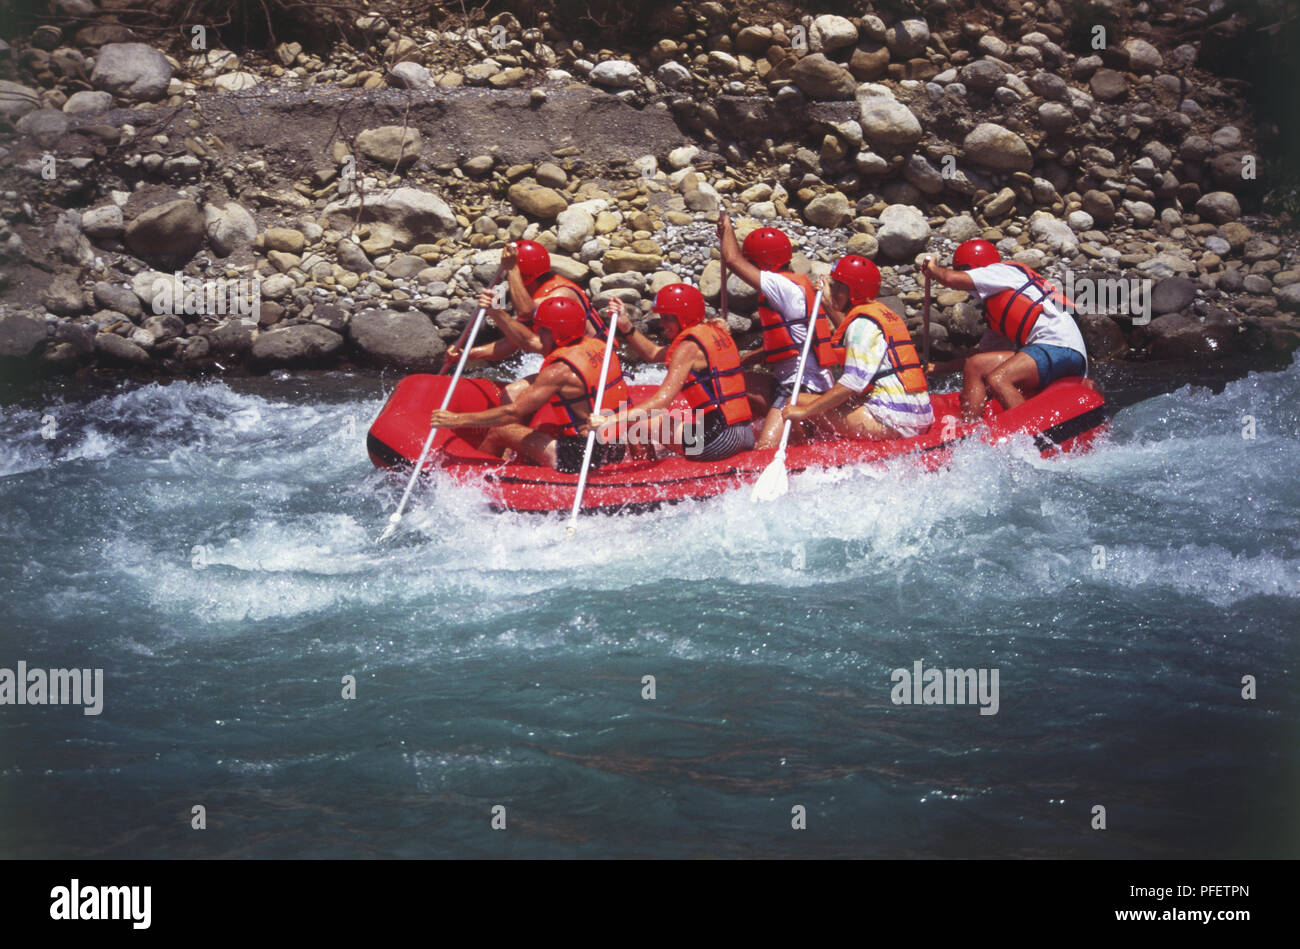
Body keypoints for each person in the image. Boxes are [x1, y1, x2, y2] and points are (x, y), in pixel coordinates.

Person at [429, 297, 628, 473]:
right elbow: (526, 340)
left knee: (501, 430)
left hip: (582, 456)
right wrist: (469, 353)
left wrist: (456, 420)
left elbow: (511, 414)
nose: (537, 333)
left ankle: (478, 479)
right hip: (615, 443)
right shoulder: (599, 345)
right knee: (520, 392)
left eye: (542, 329)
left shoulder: (558, 372)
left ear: (558, 335)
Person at [921, 239, 1087, 420]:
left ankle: (1030, 435)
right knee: (975, 365)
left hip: (1058, 347)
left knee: (998, 379)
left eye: (965, 273)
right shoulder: (999, 310)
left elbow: (950, 278)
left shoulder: (1001, 272)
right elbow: (979, 356)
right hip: (1052, 351)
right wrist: (939, 368)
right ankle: (969, 431)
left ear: (974, 269)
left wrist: (932, 269)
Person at [591, 284, 756, 462]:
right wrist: (627, 327)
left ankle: (644, 476)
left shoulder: (688, 348)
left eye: (667, 318)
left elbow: (660, 402)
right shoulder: (715, 333)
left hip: (718, 441)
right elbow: (653, 354)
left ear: (683, 317)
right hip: (744, 434)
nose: (661, 324)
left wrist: (609, 420)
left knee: (635, 421)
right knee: (658, 419)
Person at [716, 211, 837, 449]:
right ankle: (787, 430)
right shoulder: (787, 285)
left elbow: (732, 260)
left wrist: (726, 229)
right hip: (787, 377)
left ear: (765, 263)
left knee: (765, 448)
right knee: (727, 383)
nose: (750, 267)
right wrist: (748, 358)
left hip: (801, 384)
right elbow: (789, 342)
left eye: (752, 262)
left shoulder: (780, 284)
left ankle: (796, 435)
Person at [782, 255, 934, 440]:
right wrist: (828, 303)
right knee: (833, 403)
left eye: (839, 286)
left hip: (897, 421)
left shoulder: (862, 324)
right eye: (833, 284)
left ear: (855, 292)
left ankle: (801, 456)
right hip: (918, 414)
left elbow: (852, 384)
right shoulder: (878, 313)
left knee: (796, 401)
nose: (833, 290)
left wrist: (804, 411)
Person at [449, 240, 607, 402]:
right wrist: (466, 355)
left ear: (521, 273)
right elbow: (512, 343)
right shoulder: (534, 294)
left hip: (591, 365)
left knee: (514, 393)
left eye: (510, 272)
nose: (506, 276)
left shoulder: (559, 296)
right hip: (575, 362)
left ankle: (509, 427)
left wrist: (511, 270)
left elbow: (526, 312)